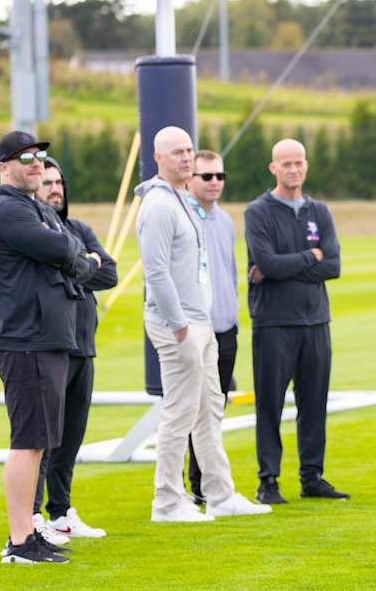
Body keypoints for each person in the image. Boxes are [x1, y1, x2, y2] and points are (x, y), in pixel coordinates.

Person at [135, 126, 271, 522]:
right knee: (179, 412)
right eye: (177, 152)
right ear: (158, 158)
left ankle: (220, 493)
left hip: (202, 323)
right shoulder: (159, 205)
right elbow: (156, 272)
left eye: (189, 150)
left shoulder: (183, 201)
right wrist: (179, 325)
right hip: (179, 325)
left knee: (209, 410)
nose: (186, 157)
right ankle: (167, 501)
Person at [0, 130, 100, 564]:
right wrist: (79, 256)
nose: (36, 162)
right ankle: (20, 541)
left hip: (47, 337)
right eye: (25, 157)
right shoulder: (6, 209)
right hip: (27, 337)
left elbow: (72, 251)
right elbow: (63, 249)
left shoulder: (34, 208)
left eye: (39, 156)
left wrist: (76, 255)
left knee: (38, 440)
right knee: (29, 440)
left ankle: (28, 533)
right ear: (4, 167)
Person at [245, 138, 346, 505]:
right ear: (273, 168)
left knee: (314, 402)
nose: (293, 169)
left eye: (298, 162)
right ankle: (268, 481)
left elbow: (333, 266)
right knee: (270, 404)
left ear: (306, 165)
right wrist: (310, 258)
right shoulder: (258, 212)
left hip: (316, 320)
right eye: (285, 163)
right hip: (274, 321)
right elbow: (267, 263)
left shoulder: (319, 211)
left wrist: (285, 266)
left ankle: (312, 476)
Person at [32, 158, 117, 540]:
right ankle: (31, 516)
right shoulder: (31, 231)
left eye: (59, 183)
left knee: (70, 438)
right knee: (42, 438)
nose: (55, 190)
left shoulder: (78, 228)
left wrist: (80, 265)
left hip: (84, 347)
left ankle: (60, 512)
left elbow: (109, 272)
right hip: (50, 346)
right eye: (47, 182)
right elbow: (65, 272)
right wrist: (85, 265)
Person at [185, 150, 240, 505]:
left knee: (216, 408)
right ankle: (194, 485)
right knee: (191, 408)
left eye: (220, 176)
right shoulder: (184, 218)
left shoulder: (225, 221)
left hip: (225, 327)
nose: (215, 182)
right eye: (207, 176)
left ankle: (209, 482)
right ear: (191, 179)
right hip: (195, 328)